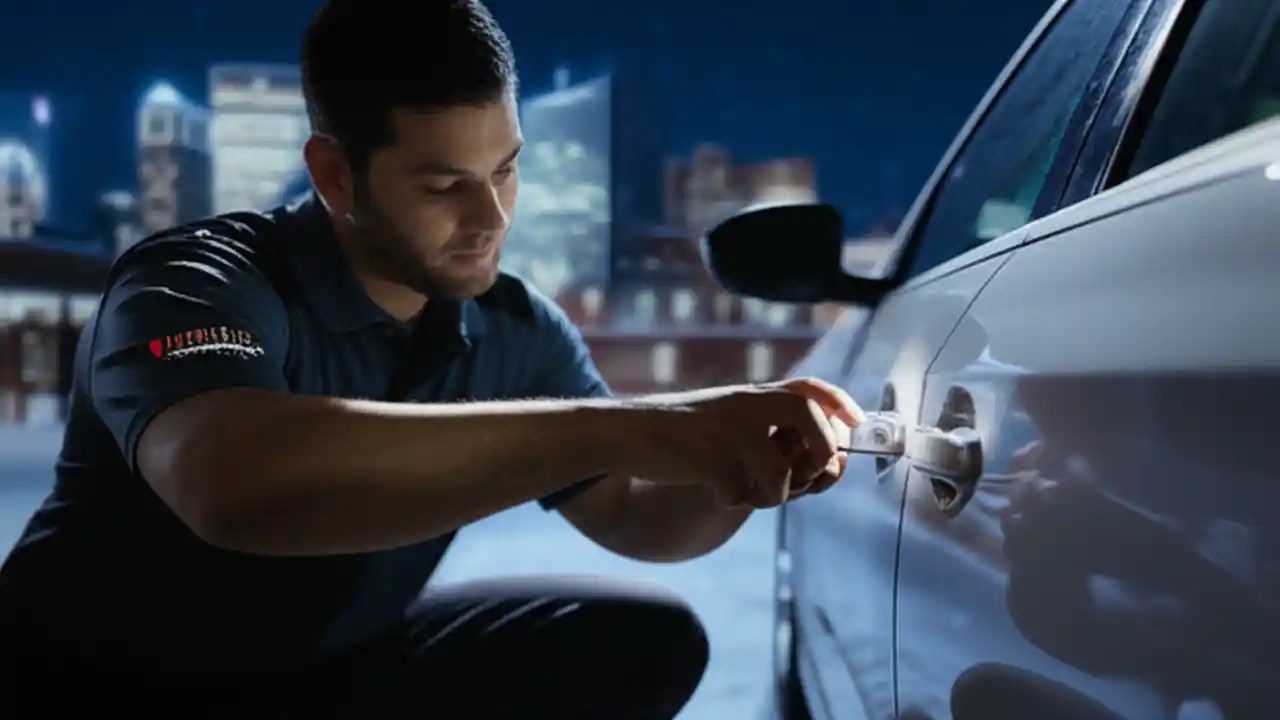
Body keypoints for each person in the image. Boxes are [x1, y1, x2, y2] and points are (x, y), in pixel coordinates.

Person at [0, 1, 862, 717]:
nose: (491, 217)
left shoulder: (516, 328)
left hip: (326, 678)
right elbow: (228, 483)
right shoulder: (195, 281)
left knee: (639, 642)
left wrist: (747, 460)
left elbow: (637, 514)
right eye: (445, 186)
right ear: (335, 177)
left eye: (507, 170)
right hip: (94, 686)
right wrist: (629, 427)